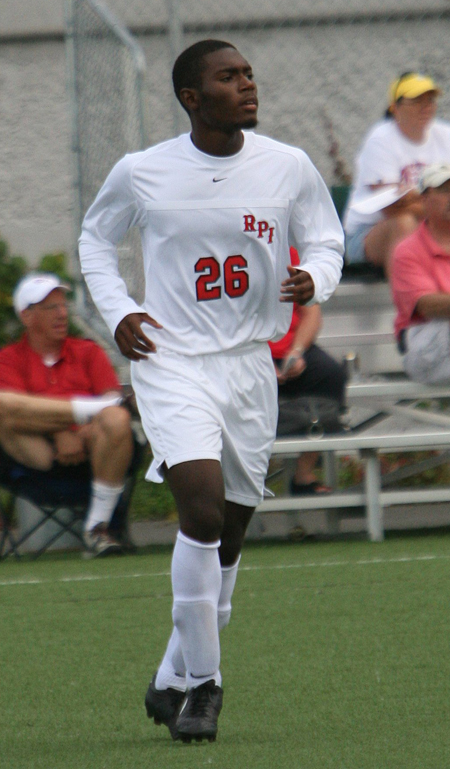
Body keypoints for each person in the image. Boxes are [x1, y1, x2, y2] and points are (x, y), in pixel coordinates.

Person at [78, 39, 344, 743]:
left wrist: (315, 278)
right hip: (172, 359)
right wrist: (120, 310)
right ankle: (205, 685)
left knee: (227, 538)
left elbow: (326, 241)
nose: (247, 85)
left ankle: (171, 677)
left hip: (249, 365)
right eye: (228, 77)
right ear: (192, 98)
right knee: (197, 508)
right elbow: (95, 241)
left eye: (249, 73)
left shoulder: (288, 166)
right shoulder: (143, 171)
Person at [0, 272, 134, 556]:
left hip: (93, 450)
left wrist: (82, 430)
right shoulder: (8, 359)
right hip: (34, 455)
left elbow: (114, 406)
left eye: (64, 306)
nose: (62, 314)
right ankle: (88, 410)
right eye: (51, 308)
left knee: (116, 418)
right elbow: (13, 413)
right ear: (27, 316)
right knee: (2, 405)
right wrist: (62, 431)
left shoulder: (88, 351)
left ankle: (97, 528)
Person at [344, 72, 450, 277]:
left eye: (430, 100)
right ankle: (409, 302)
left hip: (430, 223)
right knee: (404, 222)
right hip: (367, 232)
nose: (426, 106)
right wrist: (437, 204)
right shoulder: (381, 139)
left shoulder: (445, 135)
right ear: (396, 108)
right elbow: (391, 209)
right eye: (417, 100)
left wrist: (415, 197)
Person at [269, 248, 346, 494]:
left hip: (290, 347)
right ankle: (248, 476)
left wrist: (296, 352)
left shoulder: (292, 256)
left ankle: (304, 472)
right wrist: (261, 362)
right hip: (249, 351)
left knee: (330, 373)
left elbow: (312, 315)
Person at [391, 163, 450, 383]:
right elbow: (427, 305)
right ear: (424, 199)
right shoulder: (407, 250)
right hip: (426, 343)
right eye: (445, 190)